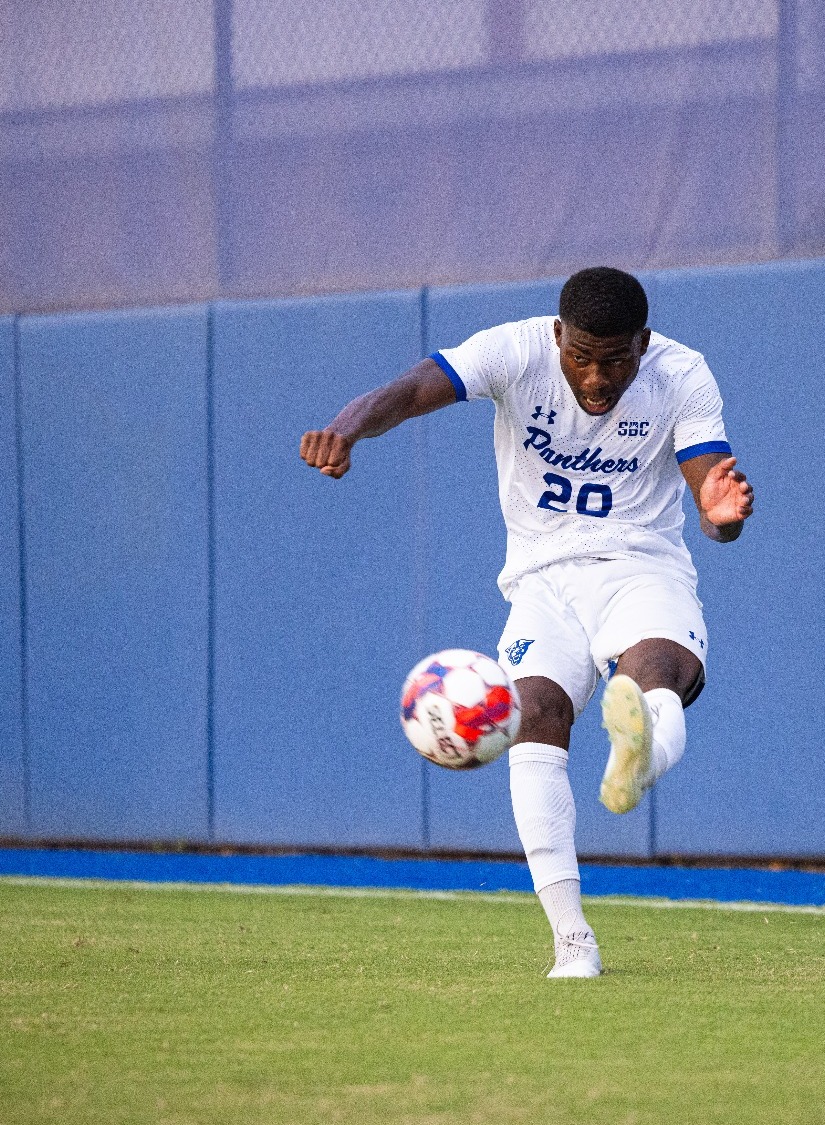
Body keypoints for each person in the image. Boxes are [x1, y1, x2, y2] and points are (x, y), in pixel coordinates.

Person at [300, 266, 754, 978]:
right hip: (542, 581)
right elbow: (415, 387)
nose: (596, 376)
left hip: (641, 564)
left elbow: (710, 492)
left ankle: (639, 762)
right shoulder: (516, 350)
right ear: (557, 336)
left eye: (615, 359)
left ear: (643, 341)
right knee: (535, 712)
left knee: (653, 668)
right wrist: (347, 429)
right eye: (581, 355)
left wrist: (720, 520)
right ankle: (572, 940)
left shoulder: (683, 374)